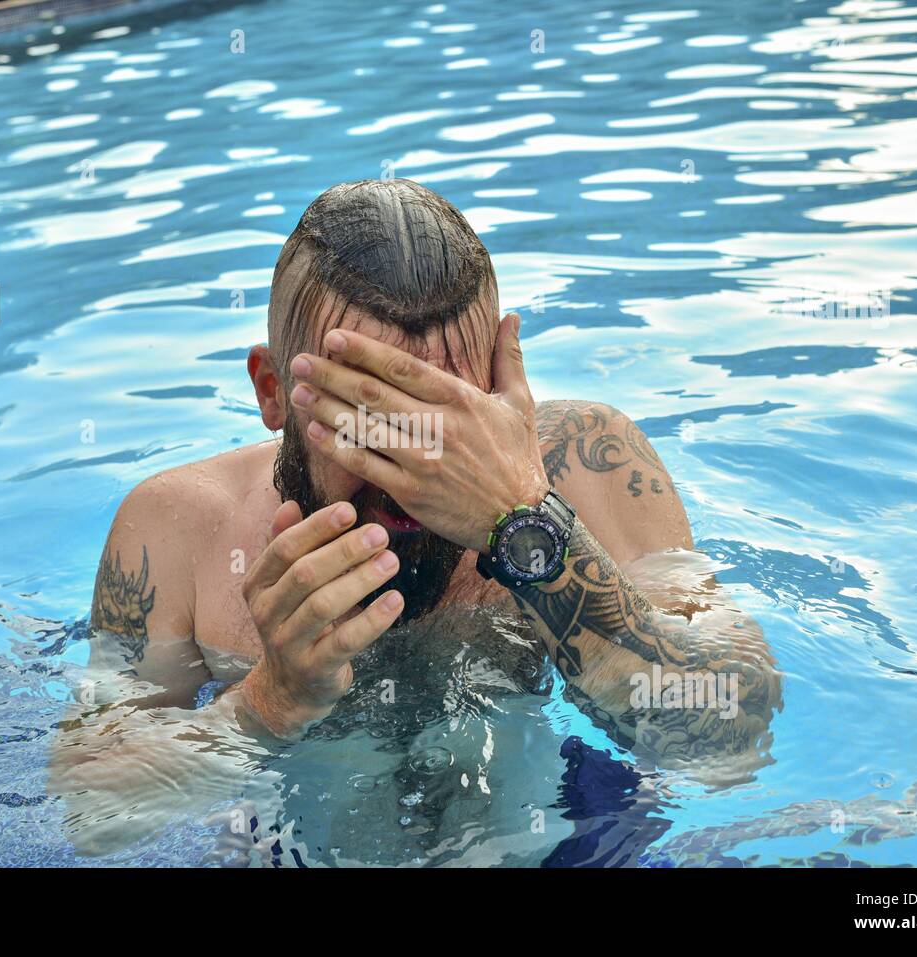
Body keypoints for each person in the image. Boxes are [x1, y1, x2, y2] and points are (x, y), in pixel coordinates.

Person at [49, 179, 782, 860]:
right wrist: (270, 702)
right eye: (365, 421)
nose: (412, 475)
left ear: (497, 390)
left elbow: (730, 736)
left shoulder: (590, 464)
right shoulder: (180, 526)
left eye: (444, 421)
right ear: (274, 392)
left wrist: (528, 530)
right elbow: (90, 815)